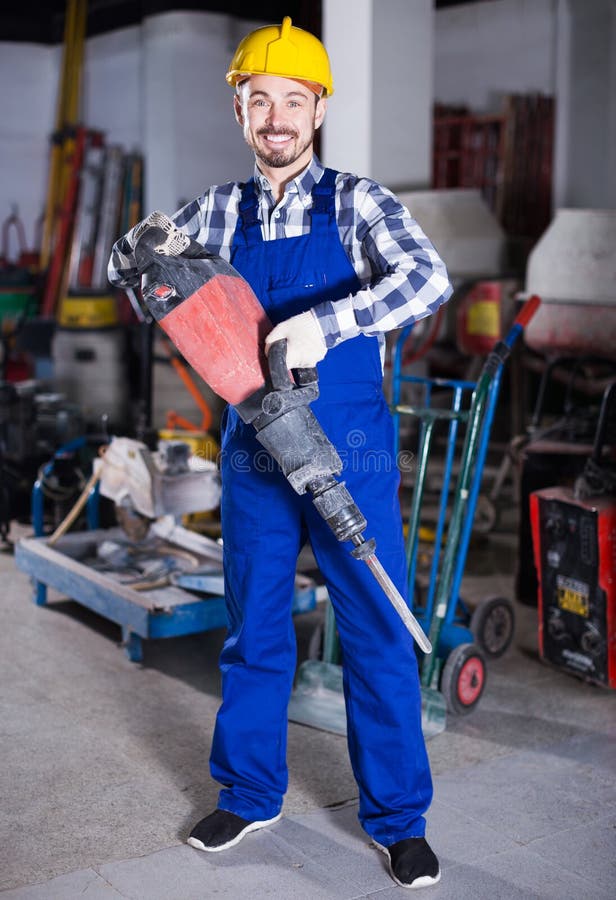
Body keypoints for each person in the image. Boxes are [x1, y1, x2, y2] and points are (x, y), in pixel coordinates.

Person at [108, 16, 451, 890]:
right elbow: (139, 268)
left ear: (319, 109)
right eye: (259, 99)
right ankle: (251, 791)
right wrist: (143, 266)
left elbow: (427, 278)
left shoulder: (358, 202)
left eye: (293, 100)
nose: (276, 116)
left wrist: (324, 322)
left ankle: (398, 819)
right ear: (239, 110)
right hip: (253, 450)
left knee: (373, 626)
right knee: (255, 625)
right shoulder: (216, 211)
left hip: (353, 447)